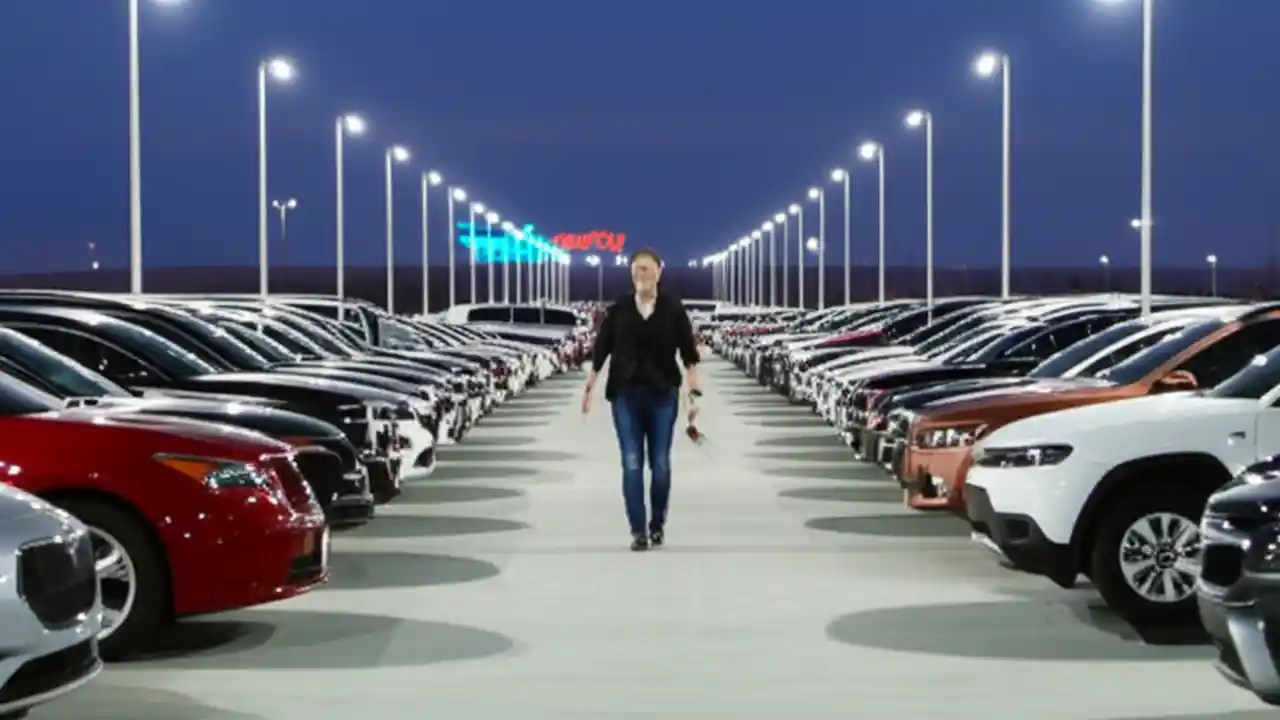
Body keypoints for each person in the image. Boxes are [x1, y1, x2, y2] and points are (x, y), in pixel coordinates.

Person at [581, 248, 702, 551]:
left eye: (645, 269)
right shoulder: (619, 310)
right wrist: (589, 389)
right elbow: (601, 350)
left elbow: (689, 354)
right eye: (635, 269)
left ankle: (657, 523)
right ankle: (638, 530)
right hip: (626, 395)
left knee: (659, 463)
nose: (640, 274)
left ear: (659, 272)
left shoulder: (673, 309)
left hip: (663, 395)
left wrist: (693, 395)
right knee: (632, 461)